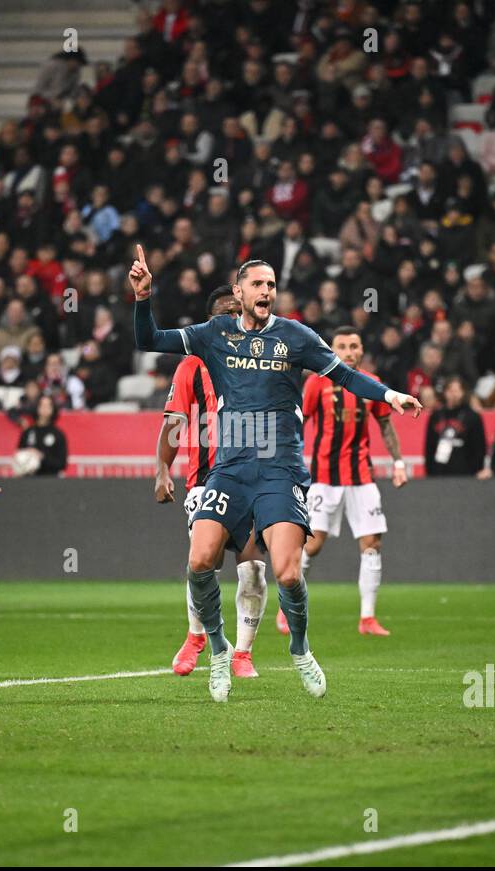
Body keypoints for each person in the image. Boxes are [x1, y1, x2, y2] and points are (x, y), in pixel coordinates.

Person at [131, 247, 422, 703]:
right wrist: (144, 296)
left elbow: (345, 376)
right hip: (229, 471)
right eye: (258, 284)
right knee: (200, 560)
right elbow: (149, 338)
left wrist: (389, 395)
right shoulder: (215, 333)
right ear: (238, 292)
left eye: (271, 284)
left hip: (280, 471)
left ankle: (301, 649)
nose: (266, 291)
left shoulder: (295, 336)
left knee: (287, 573)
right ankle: (220, 651)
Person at [156, 287, 269, 679]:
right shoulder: (192, 363)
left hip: (254, 478)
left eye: (238, 311)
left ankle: (242, 653)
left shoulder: (264, 358)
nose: (233, 318)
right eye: (224, 313)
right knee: (204, 561)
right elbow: (175, 422)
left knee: (252, 568)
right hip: (205, 480)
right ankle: (196, 636)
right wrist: (161, 471)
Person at [295, 326, 408, 636]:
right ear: (332, 350)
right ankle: (287, 606)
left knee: (372, 543)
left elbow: (385, 425)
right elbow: (299, 424)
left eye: (354, 346)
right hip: (324, 478)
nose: (349, 351)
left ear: (361, 350)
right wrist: (290, 462)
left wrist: (398, 462)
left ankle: (367, 618)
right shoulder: (317, 382)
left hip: (362, 477)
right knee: (312, 545)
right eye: (342, 346)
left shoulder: (372, 385)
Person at [425, 376, 486, 476]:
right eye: (450, 390)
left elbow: (479, 448)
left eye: (458, 390)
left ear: (463, 392)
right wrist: (430, 472)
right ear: (444, 392)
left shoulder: (473, 417)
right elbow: (429, 446)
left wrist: (475, 471)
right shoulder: (436, 416)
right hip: (439, 472)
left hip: (465, 473)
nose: (454, 394)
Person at [17, 393, 68, 475]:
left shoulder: (58, 434)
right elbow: (19, 454)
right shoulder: (28, 432)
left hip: (51, 480)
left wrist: (42, 456)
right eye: (42, 405)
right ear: (36, 407)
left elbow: (62, 464)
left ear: (53, 409)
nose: (45, 408)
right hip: (29, 479)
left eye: (48, 406)